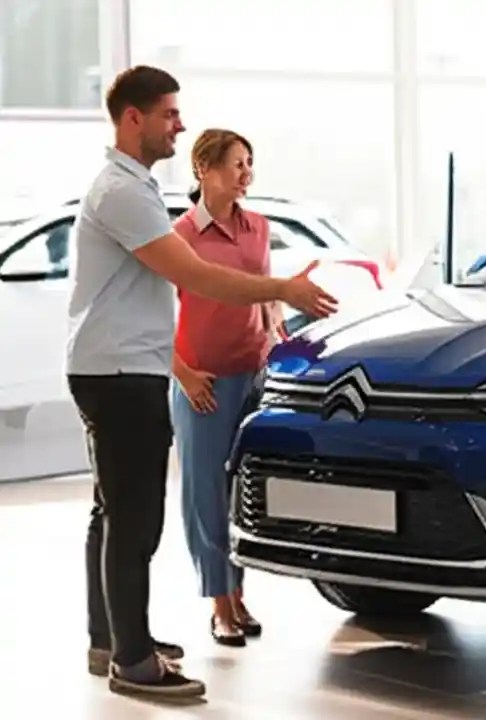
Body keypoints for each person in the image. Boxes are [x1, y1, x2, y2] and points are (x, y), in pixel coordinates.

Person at [70, 65, 337, 698]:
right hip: (122, 371)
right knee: (136, 520)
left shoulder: (128, 187)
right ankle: (132, 663)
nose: (180, 125)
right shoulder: (124, 193)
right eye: (168, 114)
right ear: (133, 118)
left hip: (112, 366)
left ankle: (111, 639)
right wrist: (285, 288)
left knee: (113, 513)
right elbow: (199, 278)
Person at [170, 129, 281, 648]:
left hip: (252, 375)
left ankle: (239, 593)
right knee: (205, 493)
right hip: (203, 383)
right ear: (203, 169)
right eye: (236, 163)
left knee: (241, 490)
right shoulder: (180, 237)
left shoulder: (259, 227)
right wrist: (184, 374)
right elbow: (151, 318)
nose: (246, 173)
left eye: (249, 163)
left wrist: (278, 338)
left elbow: (265, 294)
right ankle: (219, 601)